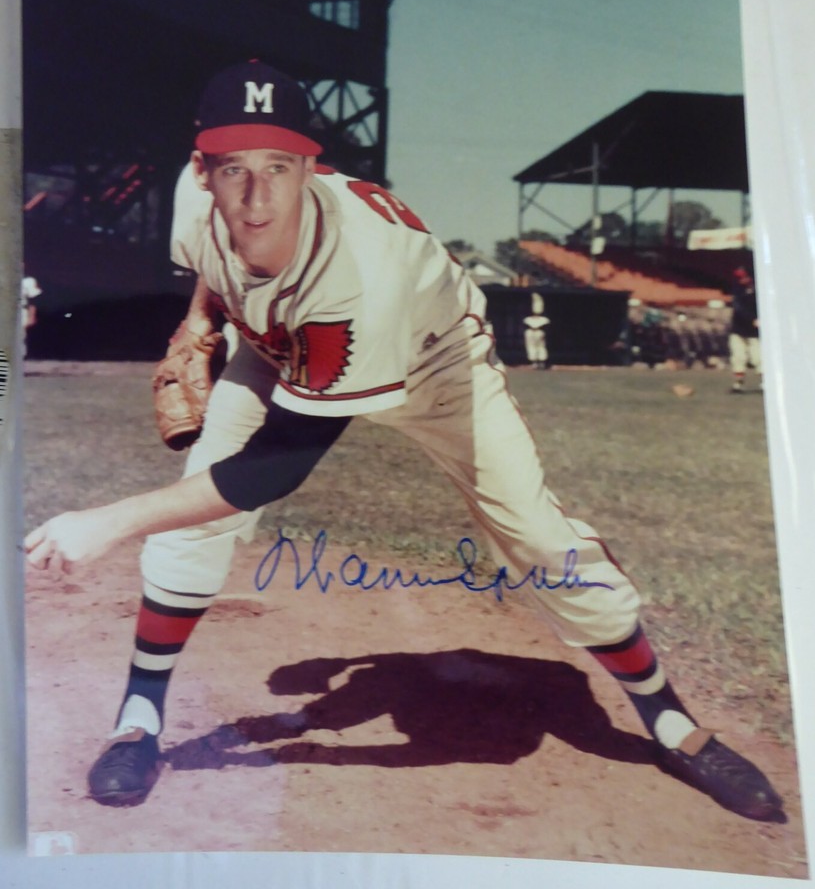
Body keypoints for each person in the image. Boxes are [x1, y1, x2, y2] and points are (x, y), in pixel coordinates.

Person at [25, 61, 782, 820]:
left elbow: (275, 468)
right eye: (233, 169)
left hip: (438, 370)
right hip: (278, 346)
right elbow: (221, 258)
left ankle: (670, 722)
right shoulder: (195, 199)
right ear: (202, 169)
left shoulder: (364, 271)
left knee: (542, 547)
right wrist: (200, 320)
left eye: (277, 169)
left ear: (311, 168)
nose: (254, 196)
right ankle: (139, 718)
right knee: (196, 523)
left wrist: (109, 519)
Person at [728, 265, 762, 392]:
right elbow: (739, 308)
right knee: (738, 356)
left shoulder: (758, 290)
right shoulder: (737, 290)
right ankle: (738, 383)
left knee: (758, 357)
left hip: (754, 331)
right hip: (739, 329)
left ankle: (764, 382)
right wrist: (753, 319)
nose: (742, 280)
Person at [522, 292, 550, 369]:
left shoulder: (544, 320)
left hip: (539, 333)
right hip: (530, 333)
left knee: (541, 346)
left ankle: (542, 361)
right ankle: (534, 362)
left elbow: (546, 328)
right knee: (531, 346)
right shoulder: (528, 319)